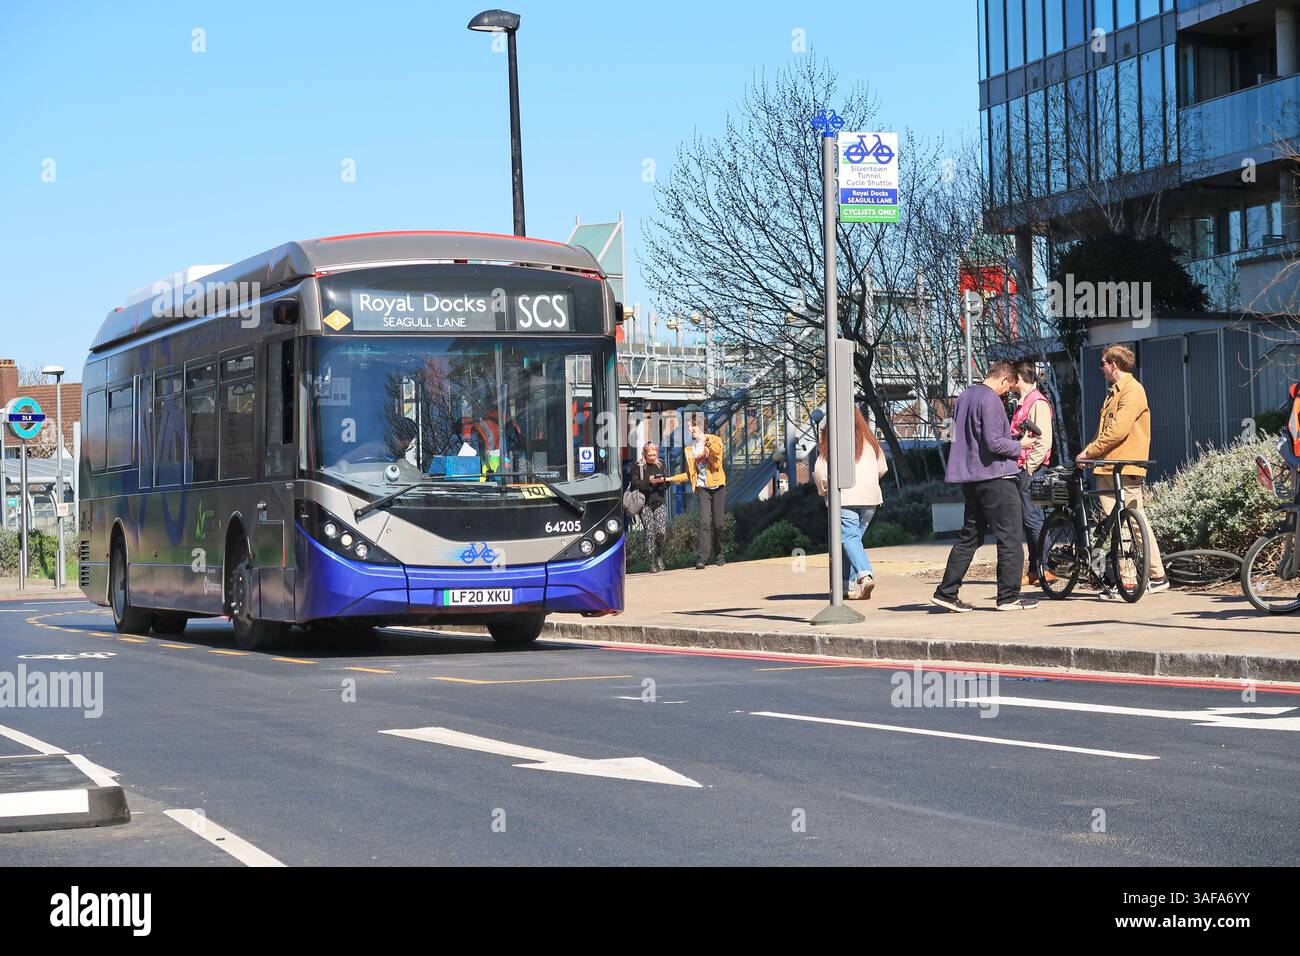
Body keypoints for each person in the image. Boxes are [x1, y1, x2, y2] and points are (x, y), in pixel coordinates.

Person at [931, 360, 1039, 612]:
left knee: (971, 536)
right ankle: (1009, 597)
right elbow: (994, 443)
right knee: (1010, 536)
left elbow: (965, 438)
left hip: (971, 478)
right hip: (997, 477)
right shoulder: (990, 400)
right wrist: (1020, 445)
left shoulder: (965, 396)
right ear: (1003, 380)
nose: (1007, 392)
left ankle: (946, 592)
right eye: (1008, 387)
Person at [1077, 344, 1168, 598]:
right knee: (1131, 521)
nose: (1101, 368)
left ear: (1113, 365)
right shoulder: (1114, 393)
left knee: (1125, 524)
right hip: (1109, 466)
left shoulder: (1132, 391)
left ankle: (1128, 582)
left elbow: (1118, 430)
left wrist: (1089, 452)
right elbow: (1106, 431)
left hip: (1123, 467)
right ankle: (1157, 576)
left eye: (1103, 363)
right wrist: (1092, 455)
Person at [813, 407, 888, 599]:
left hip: (844, 498)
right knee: (851, 541)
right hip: (870, 500)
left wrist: (824, 491)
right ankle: (847, 587)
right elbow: (882, 468)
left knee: (849, 539)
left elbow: (821, 472)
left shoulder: (834, 442)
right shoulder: (871, 442)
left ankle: (865, 575)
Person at [654, 416, 727, 569]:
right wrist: (668, 479)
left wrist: (707, 445)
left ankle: (719, 553)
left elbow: (717, 463)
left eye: (691, 428)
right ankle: (702, 558)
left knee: (718, 524)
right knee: (704, 523)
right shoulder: (690, 449)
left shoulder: (716, 440)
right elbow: (689, 475)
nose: (689, 430)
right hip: (702, 488)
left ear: (700, 427)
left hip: (718, 486)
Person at [1010, 360, 1055, 587]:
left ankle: (1046, 567)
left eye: (1010, 377)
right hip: (1023, 468)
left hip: (1031, 469)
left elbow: (1044, 440)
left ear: (1018, 377)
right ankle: (1036, 568)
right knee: (1028, 521)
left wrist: (1029, 468)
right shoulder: (1023, 402)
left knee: (1033, 519)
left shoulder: (1038, 403)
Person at [629, 441, 668, 572]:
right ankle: (651, 561)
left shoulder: (661, 464)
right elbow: (635, 484)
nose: (652, 457)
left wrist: (661, 481)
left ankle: (658, 555)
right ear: (644, 454)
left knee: (661, 532)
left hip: (659, 502)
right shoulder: (638, 466)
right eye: (650, 455)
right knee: (650, 532)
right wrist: (649, 482)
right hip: (645, 504)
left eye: (654, 454)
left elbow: (667, 483)